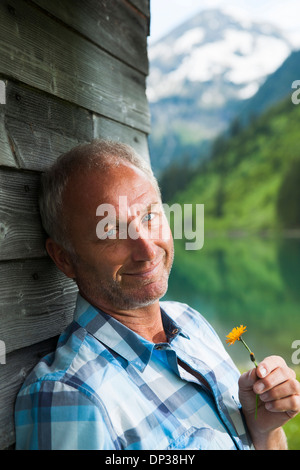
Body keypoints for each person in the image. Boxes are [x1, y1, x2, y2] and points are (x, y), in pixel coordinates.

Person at [15, 139, 300, 450]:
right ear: (64, 258)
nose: (148, 250)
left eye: (150, 216)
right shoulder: (70, 395)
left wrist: (264, 430)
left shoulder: (191, 322)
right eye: (112, 231)